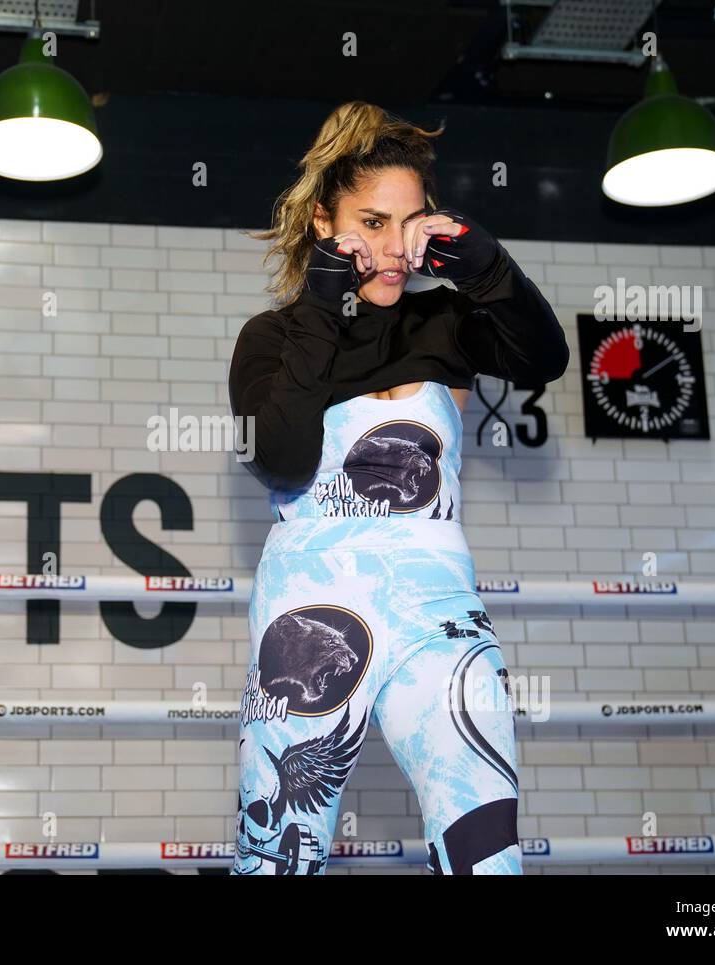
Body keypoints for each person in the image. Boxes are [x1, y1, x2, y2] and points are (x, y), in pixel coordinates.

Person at [227, 101, 568, 875]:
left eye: (407, 224)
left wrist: (489, 268)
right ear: (324, 224)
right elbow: (278, 457)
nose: (390, 249)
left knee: (487, 849)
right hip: (309, 607)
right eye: (370, 223)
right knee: (282, 854)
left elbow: (544, 357)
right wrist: (321, 304)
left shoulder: (444, 321)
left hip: (435, 606)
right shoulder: (272, 338)